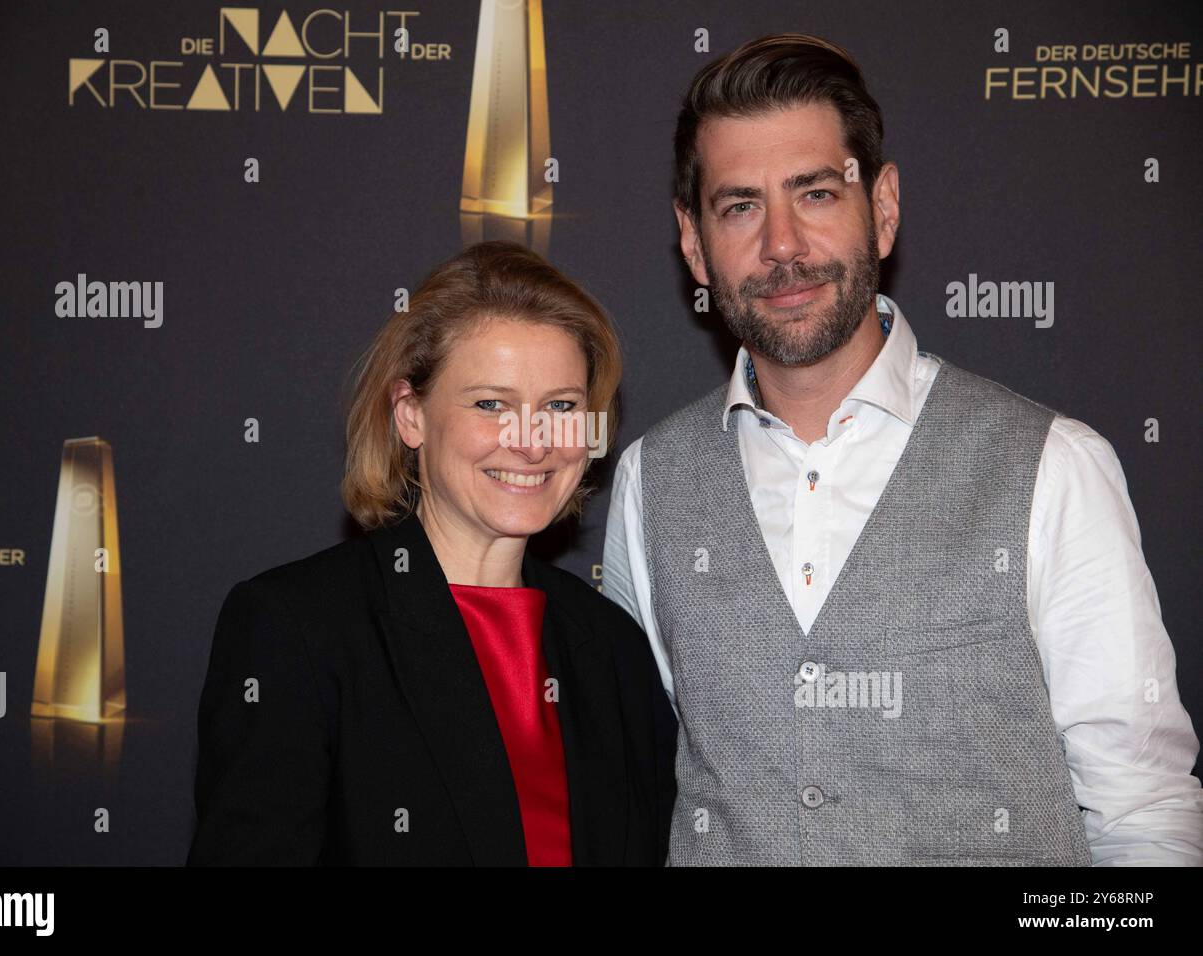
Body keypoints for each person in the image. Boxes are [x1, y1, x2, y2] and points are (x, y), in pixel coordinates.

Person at [602, 33, 1203, 865]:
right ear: (695, 243)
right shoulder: (648, 482)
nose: (781, 245)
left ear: (882, 208)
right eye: (740, 205)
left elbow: (1143, 813)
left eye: (814, 193)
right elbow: (644, 778)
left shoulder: (1054, 466)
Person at [188, 240, 676, 865]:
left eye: (560, 406)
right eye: (491, 404)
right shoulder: (297, 631)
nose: (530, 443)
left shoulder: (612, 648)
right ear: (410, 414)